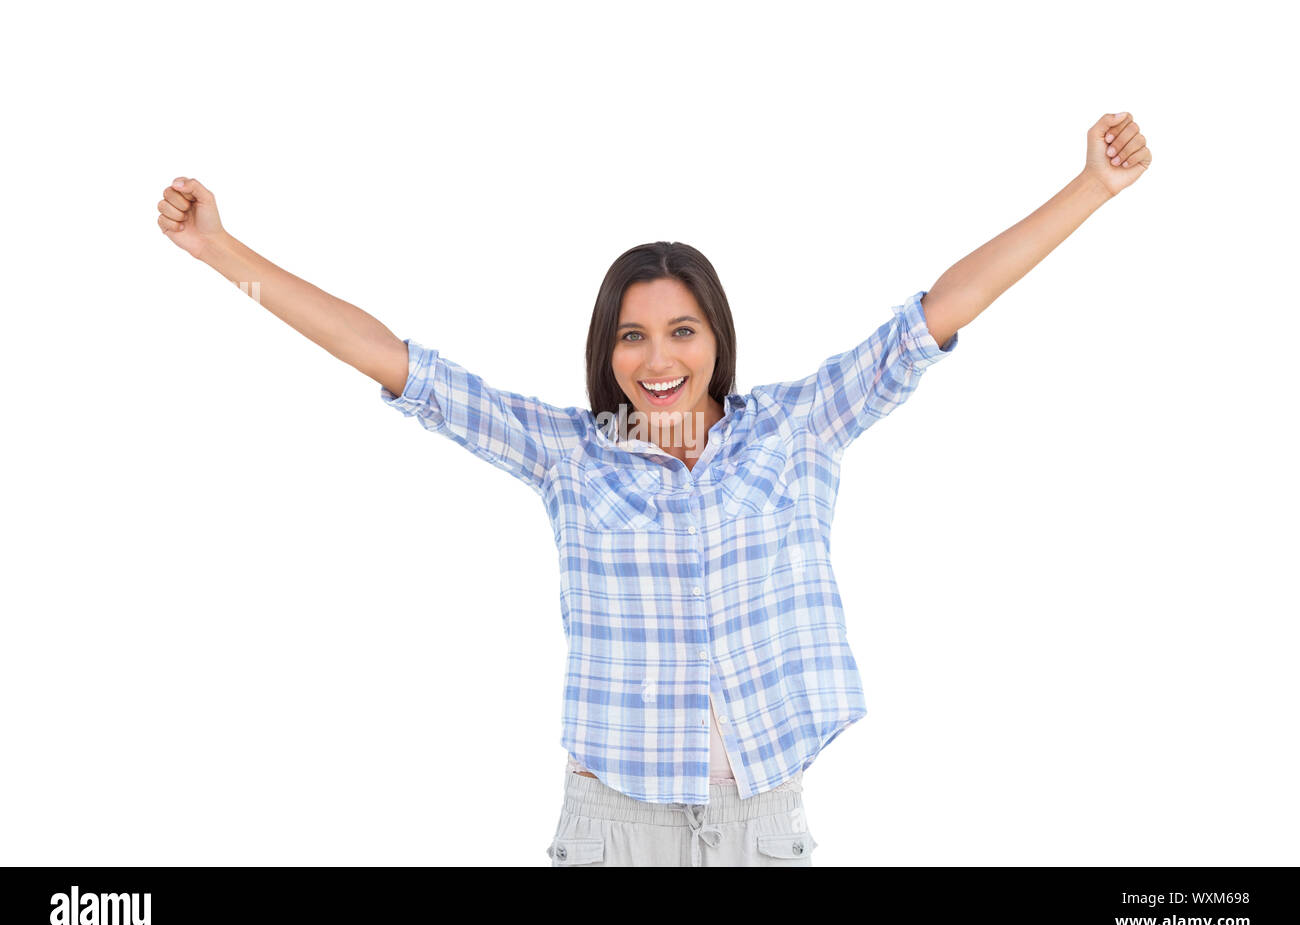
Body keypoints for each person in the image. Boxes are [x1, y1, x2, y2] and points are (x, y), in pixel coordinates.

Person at [156, 112, 1151, 866]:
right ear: (607, 350)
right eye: (632, 333)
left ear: (715, 338)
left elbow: (936, 313)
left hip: (764, 822)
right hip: (612, 826)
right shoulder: (568, 456)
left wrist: (1090, 187)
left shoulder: (797, 431)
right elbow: (397, 362)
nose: (657, 355)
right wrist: (218, 252)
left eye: (681, 330)